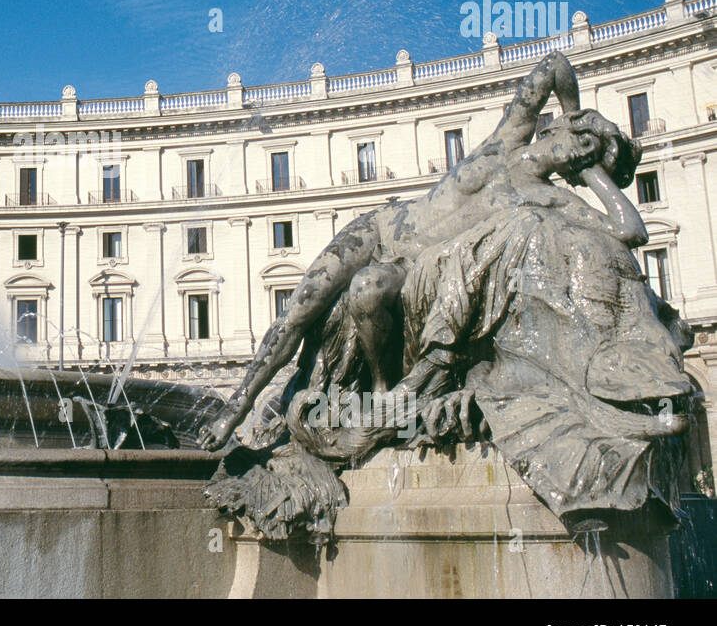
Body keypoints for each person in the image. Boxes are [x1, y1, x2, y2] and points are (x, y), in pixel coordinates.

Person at [198, 51, 642, 451]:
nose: (581, 153)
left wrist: (593, 175)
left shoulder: (547, 199)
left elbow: (630, 229)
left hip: (411, 268)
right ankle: (234, 408)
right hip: (378, 229)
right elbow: (555, 64)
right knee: (298, 308)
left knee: (367, 289)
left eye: (591, 155)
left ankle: (383, 387)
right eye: (586, 145)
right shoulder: (510, 135)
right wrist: (574, 115)